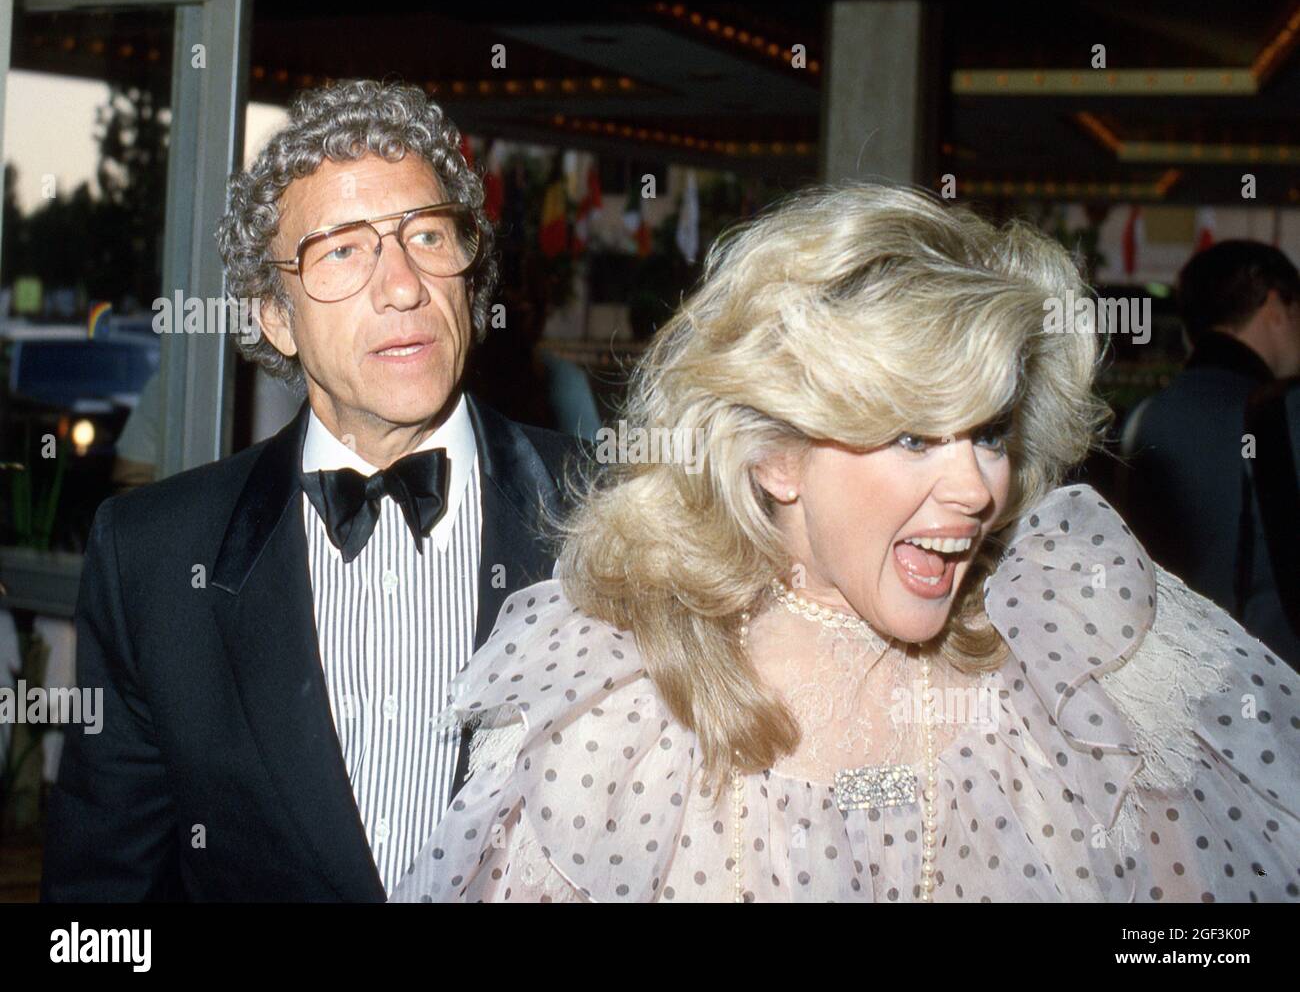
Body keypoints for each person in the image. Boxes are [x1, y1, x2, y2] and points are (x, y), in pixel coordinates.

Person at [392, 184, 1300, 903]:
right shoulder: (623, 707)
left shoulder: (1074, 653)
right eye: (912, 437)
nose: (979, 486)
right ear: (777, 457)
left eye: (987, 432)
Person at [41, 80, 581, 901]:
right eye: (342, 250)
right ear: (275, 315)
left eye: (427, 235)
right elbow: (101, 906)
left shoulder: (618, 518)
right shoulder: (153, 558)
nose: (403, 285)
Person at [1122, 241, 1300, 670]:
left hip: (1176, 689)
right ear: (1275, 305)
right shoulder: (1287, 413)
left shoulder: (1140, 420)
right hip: (1280, 697)